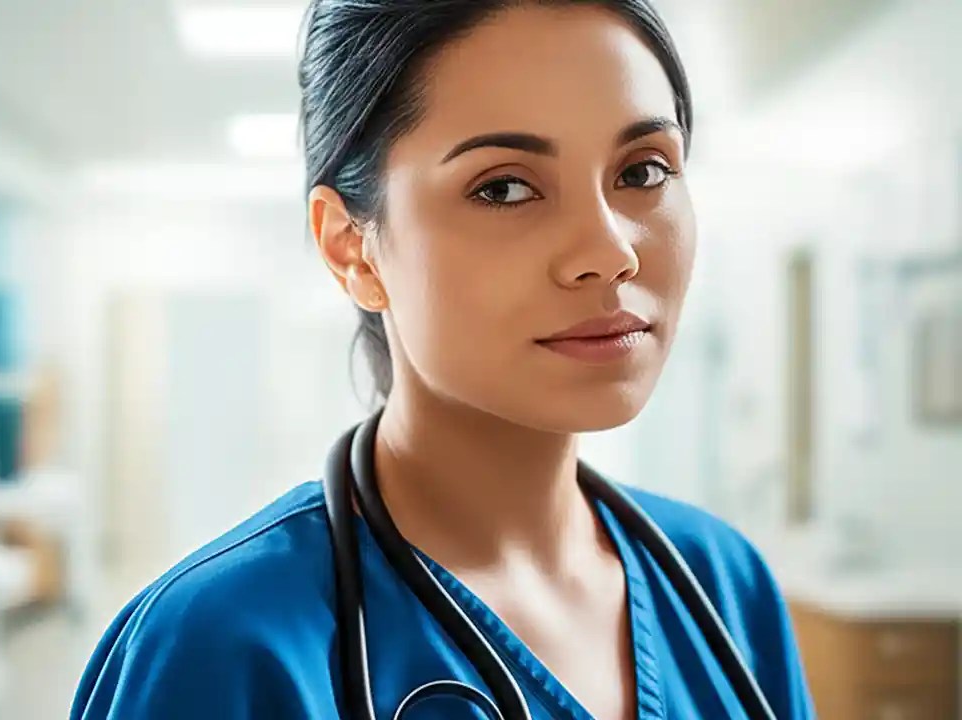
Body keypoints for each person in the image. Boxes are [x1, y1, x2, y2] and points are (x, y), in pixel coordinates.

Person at [71, 1, 815, 718]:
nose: (610, 252)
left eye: (643, 172)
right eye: (506, 188)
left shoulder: (721, 585)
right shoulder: (220, 648)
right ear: (352, 248)